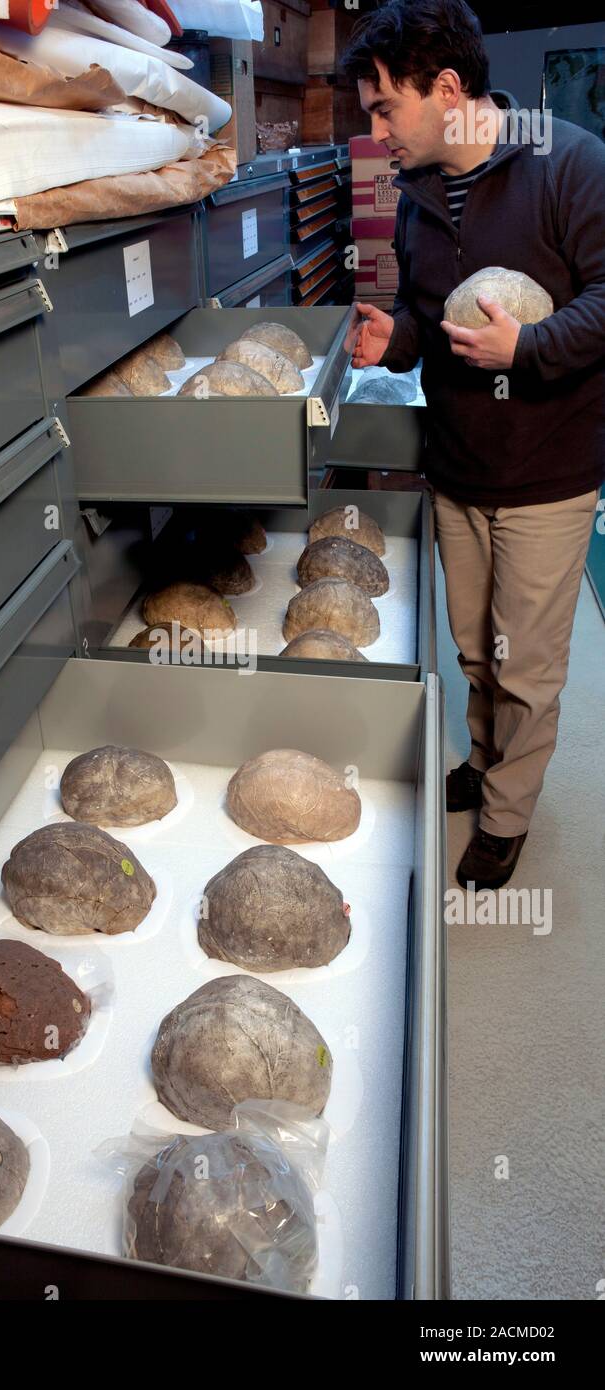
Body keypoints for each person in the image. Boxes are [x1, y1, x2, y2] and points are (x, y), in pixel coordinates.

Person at [342, 0, 605, 889]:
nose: (375, 132)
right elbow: (427, 322)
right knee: (471, 647)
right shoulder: (410, 197)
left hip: (546, 468)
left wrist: (525, 348)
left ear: (446, 89)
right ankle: (488, 760)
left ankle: (505, 813)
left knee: (524, 664)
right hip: (455, 463)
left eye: (384, 109)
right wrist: (394, 342)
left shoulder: (567, 163)